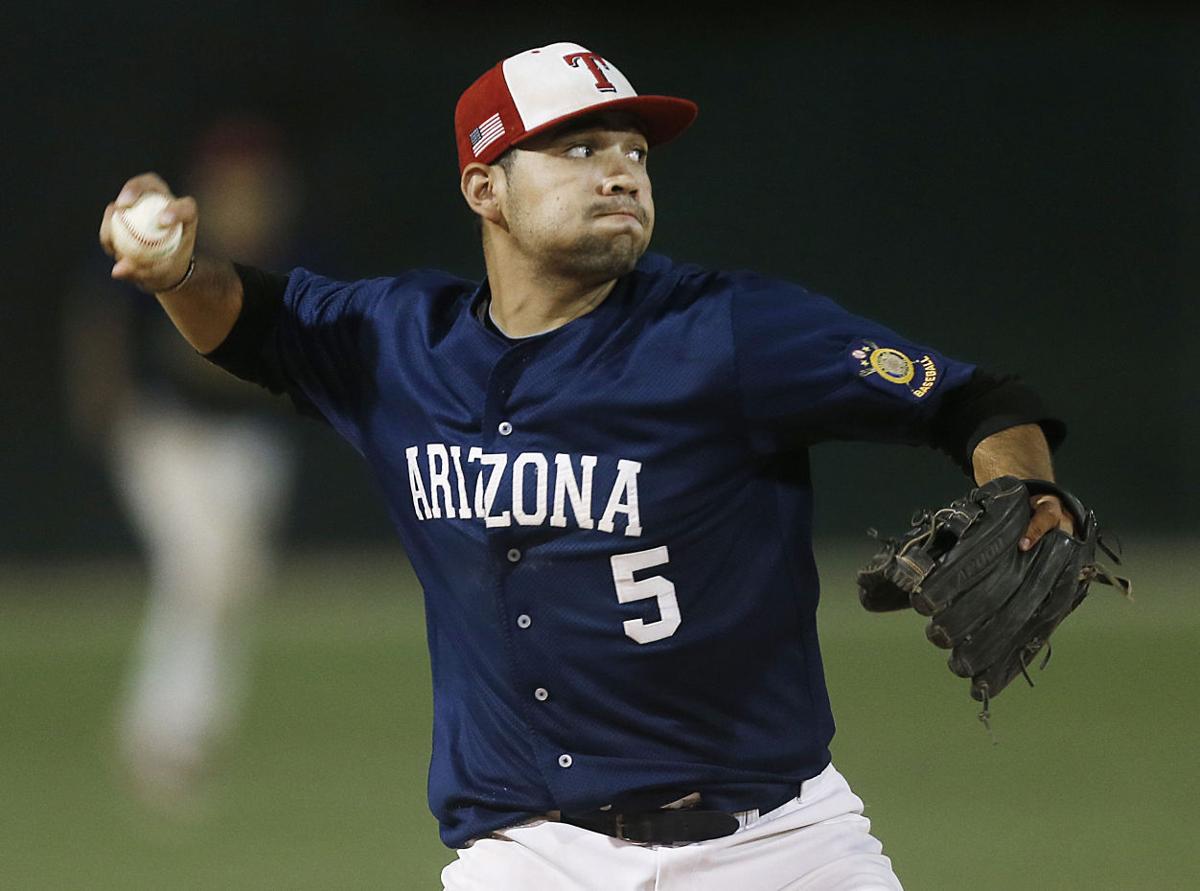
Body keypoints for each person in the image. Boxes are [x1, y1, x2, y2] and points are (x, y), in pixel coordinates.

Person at [98, 41, 1074, 889]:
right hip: (530, 857)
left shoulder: (726, 333)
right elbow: (248, 321)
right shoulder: (397, 347)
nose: (620, 173)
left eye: (633, 153)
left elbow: (975, 399)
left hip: (783, 843)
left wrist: (1024, 486)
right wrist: (179, 269)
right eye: (577, 149)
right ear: (485, 187)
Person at [71, 114, 303, 810]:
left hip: (251, 446)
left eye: (257, 181)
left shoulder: (293, 249)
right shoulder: (173, 239)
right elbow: (101, 309)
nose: (247, 192)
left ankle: (184, 733)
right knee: (201, 572)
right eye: (234, 180)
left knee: (227, 584)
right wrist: (101, 391)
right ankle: (165, 740)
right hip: (166, 434)